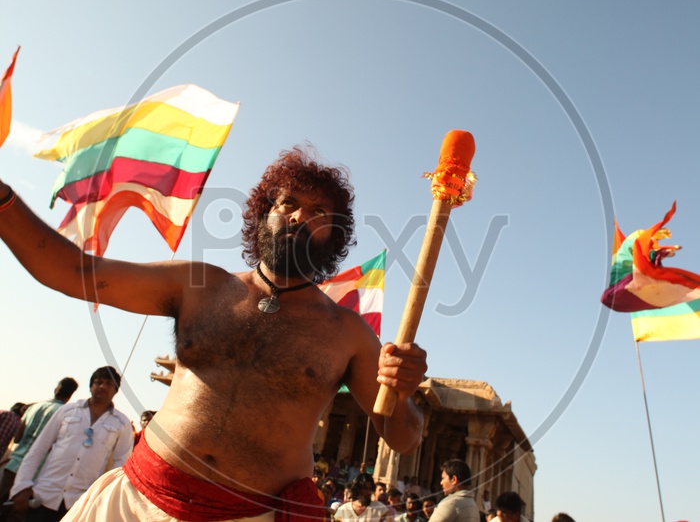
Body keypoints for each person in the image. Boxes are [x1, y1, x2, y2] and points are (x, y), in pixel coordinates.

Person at [0, 147, 428, 521]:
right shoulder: (199, 284)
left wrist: (403, 394)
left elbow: (402, 437)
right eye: (289, 203)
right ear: (265, 214)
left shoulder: (347, 332)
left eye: (318, 213)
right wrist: (4, 202)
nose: (299, 216)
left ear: (333, 235)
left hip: (250, 516)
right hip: (136, 501)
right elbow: (74, 272)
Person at [8, 367, 133, 522]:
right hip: (45, 495)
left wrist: (103, 500)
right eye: (98, 382)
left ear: (115, 390)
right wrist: (22, 486)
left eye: (108, 384)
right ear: (91, 386)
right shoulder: (68, 411)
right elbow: (39, 448)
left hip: (81, 504)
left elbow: (121, 465)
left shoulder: (122, 423)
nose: (102, 386)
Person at [0, 377, 78, 520]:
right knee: (15, 516)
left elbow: (17, 438)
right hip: (32, 475)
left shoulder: (33, 407)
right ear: (71, 394)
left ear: (56, 388)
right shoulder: (65, 413)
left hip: (13, 466)